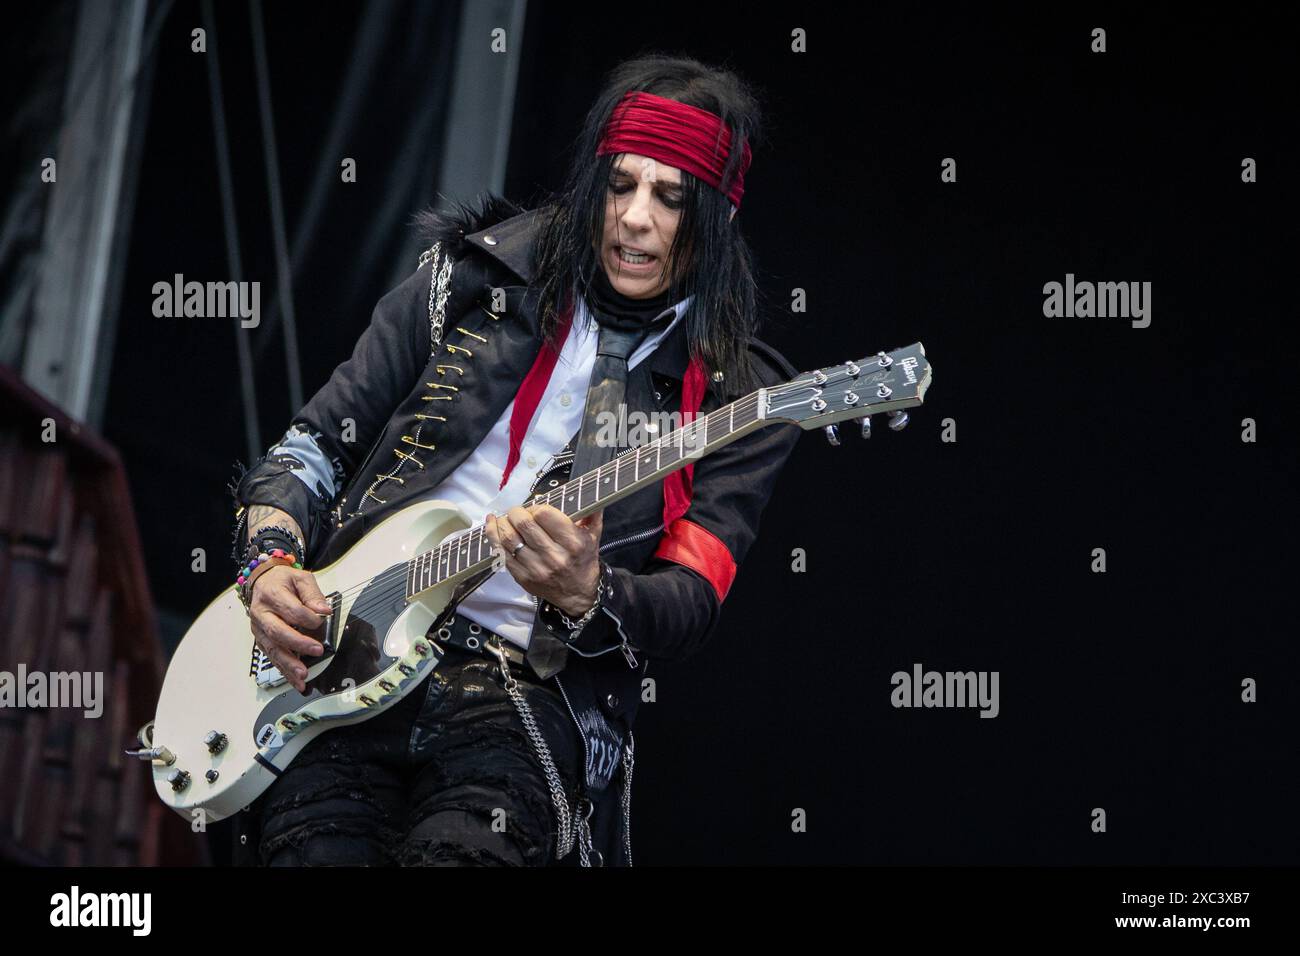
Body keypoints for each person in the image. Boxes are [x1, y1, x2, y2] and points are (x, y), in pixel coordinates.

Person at [227, 53, 801, 866]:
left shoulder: (739, 400)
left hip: (523, 698)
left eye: (671, 198)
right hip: (340, 665)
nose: (636, 217)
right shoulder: (470, 278)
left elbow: (690, 604)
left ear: (717, 219)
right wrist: (269, 562)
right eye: (620, 185)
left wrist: (587, 594)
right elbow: (312, 445)